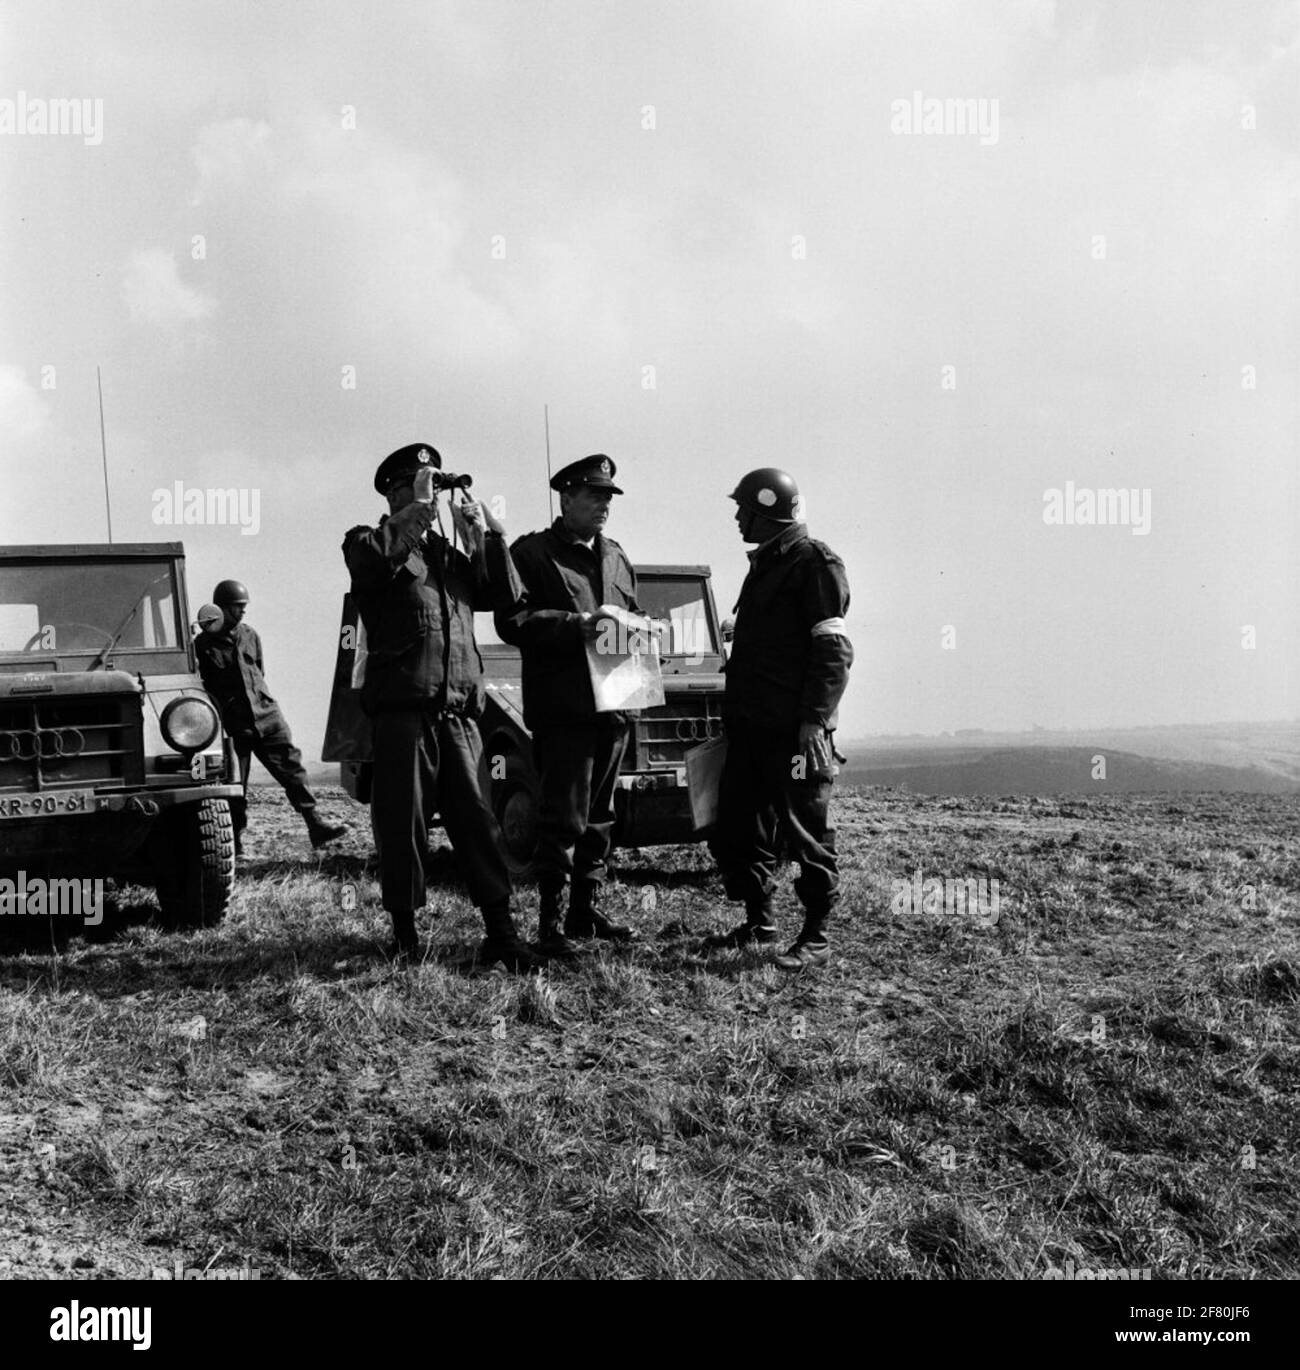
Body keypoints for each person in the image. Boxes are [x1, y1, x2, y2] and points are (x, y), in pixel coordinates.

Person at [343, 442, 539, 969]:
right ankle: (405, 940)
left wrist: (487, 537)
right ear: (397, 491)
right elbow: (377, 560)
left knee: (479, 821)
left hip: (458, 714)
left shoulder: (448, 559)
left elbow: (507, 597)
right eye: (422, 482)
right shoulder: (367, 543)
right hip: (403, 712)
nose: (434, 491)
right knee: (403, 824)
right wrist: (423, 510)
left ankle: (501, 933)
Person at [702, 468, 853, 971]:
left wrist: (814, 719)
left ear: (767, 511)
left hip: (794, 733)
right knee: (739, 830)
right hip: (751, 730)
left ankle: (815, 936)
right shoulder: (766, 565)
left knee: (807, 832)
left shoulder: (813, 563)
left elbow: (833, 648)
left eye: (744, 509)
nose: (738, 518)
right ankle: (759, 920)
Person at [495, 454, 645, 957]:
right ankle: (550, 925)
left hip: (617, 705)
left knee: (601, 816)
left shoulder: (617, 556)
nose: (604, 505)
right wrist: (574, 624)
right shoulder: (532, 553)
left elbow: (633, 613)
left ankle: (585, 911)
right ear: (566, 497)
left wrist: (645, 629)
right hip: (565, 710)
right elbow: (511, 621)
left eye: (608, 497)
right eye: (595, 495)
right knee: (564, 817)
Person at [195, 580, 350, 855]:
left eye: (244, 608)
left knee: (293, 771)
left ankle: (316, 825)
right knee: (234, 788)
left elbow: (259, 673)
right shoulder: (203, 644)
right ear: (220, 608)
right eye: (237, 608)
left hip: (267, 717)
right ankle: (237, 843)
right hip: (233, 726)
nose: (242, 613)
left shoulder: (250, 635)